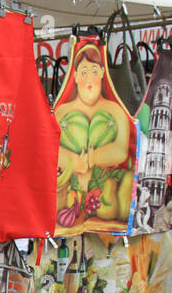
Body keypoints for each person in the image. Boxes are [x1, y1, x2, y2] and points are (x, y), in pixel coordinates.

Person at [54, 41, 134, 228]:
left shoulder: (116, 111)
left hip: (105, 204)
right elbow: (49, 147)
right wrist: (74, 161)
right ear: (74, 76)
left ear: (102, 74)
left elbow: (121, 149)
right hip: (66, 200)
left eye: (93, 71)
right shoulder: (62, 112)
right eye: (83, 72)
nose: (89, 78)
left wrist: (93, 157)